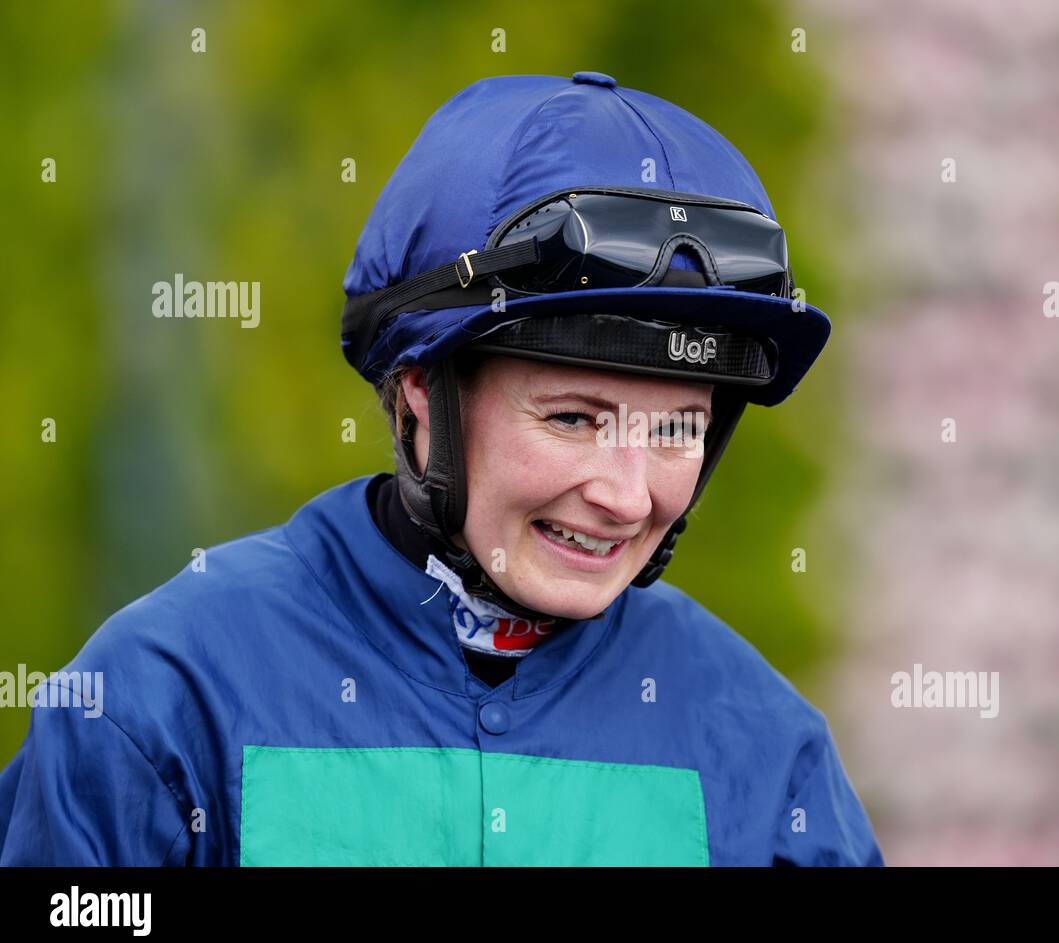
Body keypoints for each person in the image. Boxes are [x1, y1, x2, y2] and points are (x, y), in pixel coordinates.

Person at [0, 71, 885, 866]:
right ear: (421, 398)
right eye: (575, 419)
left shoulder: (769, 753)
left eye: (677, 429)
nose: (626, 494)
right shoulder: (154, 700)